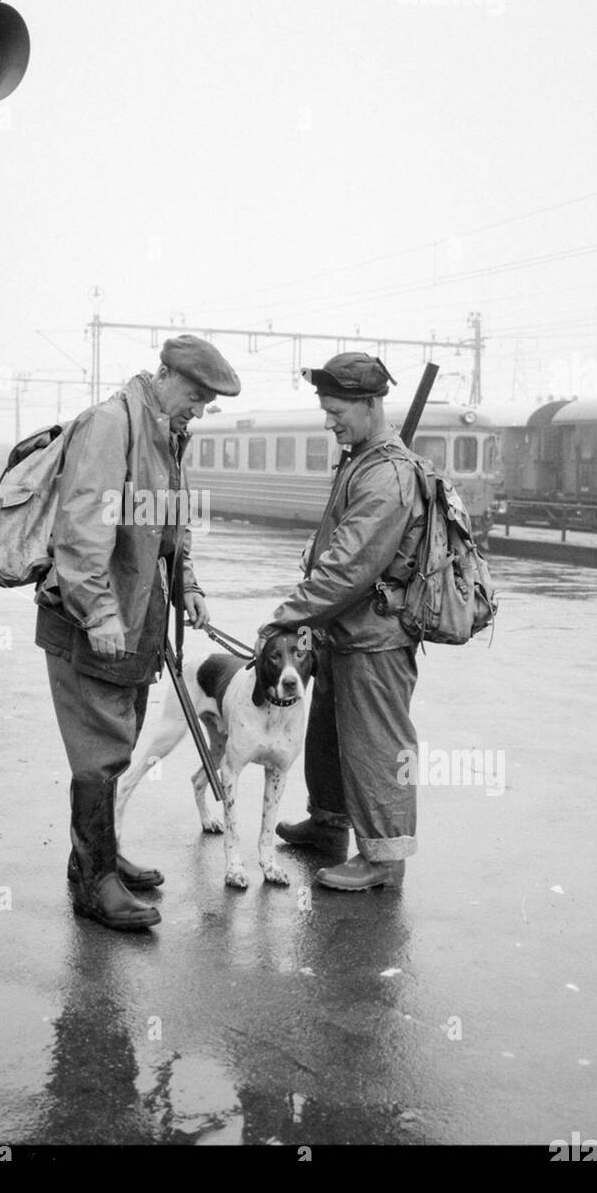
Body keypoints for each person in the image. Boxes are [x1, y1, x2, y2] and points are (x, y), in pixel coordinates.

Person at [36, 334, 241, 932]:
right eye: (197, 396)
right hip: (93, 618)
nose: (199, 409)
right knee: (99, 750)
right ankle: (93, 883)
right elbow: (82, 527)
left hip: (137, 617)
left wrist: (189, 587)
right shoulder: (110, 425)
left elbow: (172, 524)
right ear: (167, 377)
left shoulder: (165, 433)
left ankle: (99, 857)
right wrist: (98, 612)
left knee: (118, 739)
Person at [259, 353, 428, 891]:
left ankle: (383, 857)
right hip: (342, 630)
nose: (329, 422)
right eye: (325, 410)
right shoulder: (361, 457)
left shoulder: (387, 475)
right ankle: (330, 822)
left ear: (371, 404)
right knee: (330, 732)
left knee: (377, 744)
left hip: (375, 638)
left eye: (337, 411)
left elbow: (348, 569)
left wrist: (282, 618)